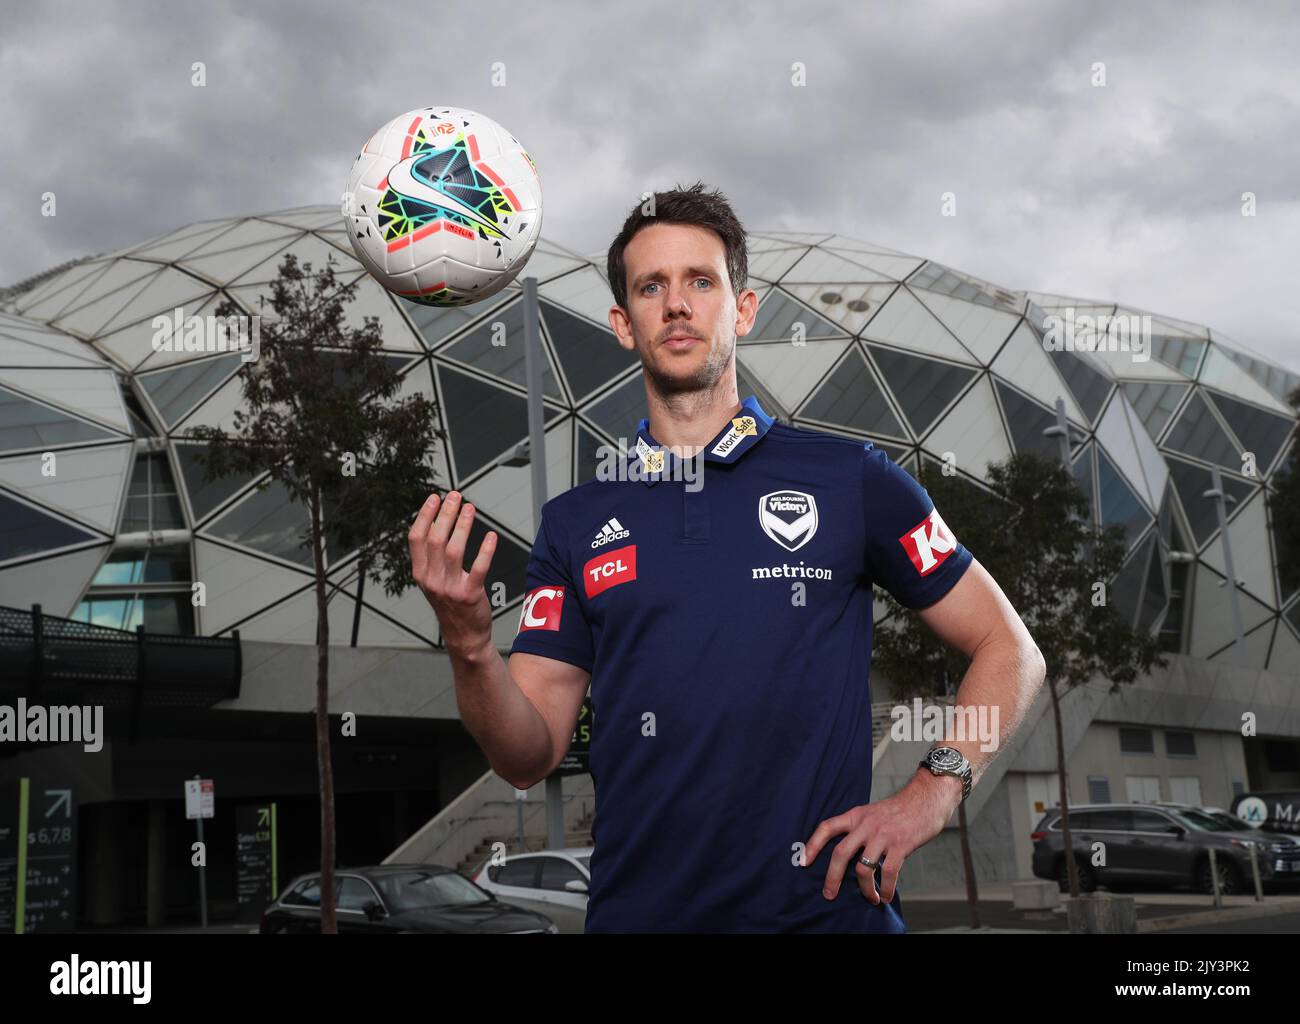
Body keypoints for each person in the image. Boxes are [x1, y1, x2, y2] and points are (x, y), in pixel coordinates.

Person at [408, 181, 1046, 933]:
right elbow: (527, 755)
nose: (677, 304)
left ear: (741, 309)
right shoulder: (577, 523)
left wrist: (929, 796)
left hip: (830, 920)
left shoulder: (852, 481)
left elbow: (1011, 648)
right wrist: (471, 645)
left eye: (700, 281)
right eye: (652, 287)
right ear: (623, 323)